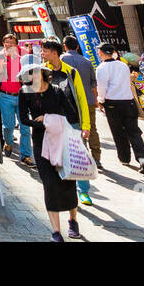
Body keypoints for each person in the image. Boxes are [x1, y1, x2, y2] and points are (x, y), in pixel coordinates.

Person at [18, 54, 83, 241]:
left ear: (44, 75)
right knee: (49, 183)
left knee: (67, 181)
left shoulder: (57, 91)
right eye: (30, 75)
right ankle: (56, 230)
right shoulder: (25, 93)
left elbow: (72, 115)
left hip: (61, 140)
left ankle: (73, 219)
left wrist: (49, 120)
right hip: (40, 141)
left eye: (36, 73)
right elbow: (24, 119)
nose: (33, 78)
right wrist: (42, 125)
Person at [39, 39, 94, 205]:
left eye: (45, 51)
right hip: (53, 122)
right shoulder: (42, 72)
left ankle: (83, 191)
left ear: (54, 52)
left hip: (72, 120)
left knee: (78, 157)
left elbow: (81, 100)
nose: (42, 54)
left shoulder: (72, 72)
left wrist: (86, 125)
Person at [96, 43, 144, 174]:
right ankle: (142, 158)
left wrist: (100, 101)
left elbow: (101, 87)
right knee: (134, 131)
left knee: (118, 132)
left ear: (101, 53)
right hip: (128, 102)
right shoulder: (123, 65)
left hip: (112, 103)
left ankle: (124, 158)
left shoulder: (101, 68)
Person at [0, 33, 33, 167]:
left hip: (22, 96)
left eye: (11, 42)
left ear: (16, 45)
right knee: (8, 126)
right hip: (5, 96)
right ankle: (8, 142)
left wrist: (24, 79)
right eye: (6, 42)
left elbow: (30, 76)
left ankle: (26, 156)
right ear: (3, 43)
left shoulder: (22, 59)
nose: (9, 45)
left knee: (25, 127)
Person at [61, 35, 103, 174]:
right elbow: (93, 83)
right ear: (77, 46)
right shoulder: (86, 61)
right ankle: (96, 158)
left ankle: (82, 157)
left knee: (74, 129)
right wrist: (96, 99)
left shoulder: (61, 60)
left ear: (64, 46)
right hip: (89, 100)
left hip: (70, 101)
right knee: (91, 128)